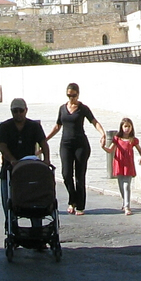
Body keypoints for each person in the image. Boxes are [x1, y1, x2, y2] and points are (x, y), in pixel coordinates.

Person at [46, 82, 103, 215]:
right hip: (66, 144)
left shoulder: (83, 108)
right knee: (66, 174)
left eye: (73, 95)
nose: (71, 98)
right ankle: (72, 199)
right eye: (68, 95)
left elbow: (94, 121)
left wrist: (102, 134)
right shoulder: (62, 108)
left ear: (78, 94)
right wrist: (45, 140)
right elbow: (57, 126)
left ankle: (80, 206)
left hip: (81, 145)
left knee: (79, 176)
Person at [0, 98, 50, 228]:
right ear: (11, 111)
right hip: (10, 168)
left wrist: (46, 160)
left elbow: (43, 143)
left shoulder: (34, 126)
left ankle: (37, 228)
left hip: (30, 169)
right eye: (15, 111)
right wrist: (12, 160)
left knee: (34, 200)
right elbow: (2, 146)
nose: (18, 114)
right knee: (9, 201)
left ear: (26, 111)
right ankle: (11, 226)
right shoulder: (5, 127)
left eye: (21, 111)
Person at [101, 118, 141, 215]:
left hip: (128, 165)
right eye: (125, 126)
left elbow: (140, 151)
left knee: (127, 185)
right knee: (121, 186)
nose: (127, 128)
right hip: (119, 164)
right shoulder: (117, 139)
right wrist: (103, 147)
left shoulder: (133, 140)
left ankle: (127, 206)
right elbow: (110, 150)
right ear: (121, 127)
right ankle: (124, 202)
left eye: (129, 126)